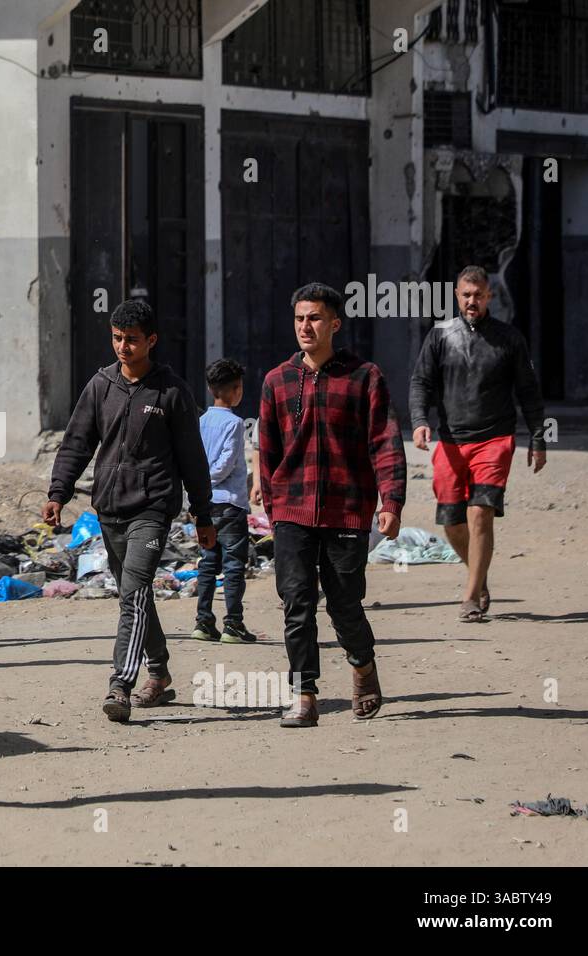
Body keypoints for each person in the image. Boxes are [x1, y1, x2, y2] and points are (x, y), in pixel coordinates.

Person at [44, 299, 216, 722]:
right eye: (118, 339)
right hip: (108, 508)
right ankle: (159, 672)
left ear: (151, 341)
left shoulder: (172, 391)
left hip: (153, 509)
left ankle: (120, 684)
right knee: (133, 596)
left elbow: (193, 458)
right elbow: (77, 442)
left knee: (135, 593)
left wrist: (203, 513)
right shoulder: (100, 386)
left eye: (132, 340)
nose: (123, 347)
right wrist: (58, 493)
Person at [259, 282, 405, 729]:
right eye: (301, 318)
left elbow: (384, 441)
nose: (306, 326)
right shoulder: (277, 381)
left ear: (334, 324)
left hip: (346, 509)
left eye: (316, 318)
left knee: (344, 603)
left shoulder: (364, 377)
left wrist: (391, 500)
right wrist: (273, 503)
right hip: (291, 511)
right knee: (296, 604)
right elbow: (266, 450)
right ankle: (304, 695)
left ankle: (362, 666)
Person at [408, 265, 547, 623]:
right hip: (452, 441)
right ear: (457, 296)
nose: (472, 301)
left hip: (495, 439)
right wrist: (421, 422)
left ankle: (469, 597)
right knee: (452, 521)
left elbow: (528, 390)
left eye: (479, 294)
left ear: (489, 296)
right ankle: (479, 576)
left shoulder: (509, 339)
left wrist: (538, 436)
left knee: (480, 512)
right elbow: (421, 383)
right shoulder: (440, 336)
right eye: (466, 295)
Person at [193, 358, 256, 644]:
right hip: (230, 504)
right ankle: (233, 624)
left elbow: (193, 461)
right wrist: (208, 480)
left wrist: (198, 487)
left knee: (207, 564)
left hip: (206, 505)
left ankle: (204, 623)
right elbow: (226, 464)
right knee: (232, 566)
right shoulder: (235, 424)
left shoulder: (201, 422)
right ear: (236, 390)